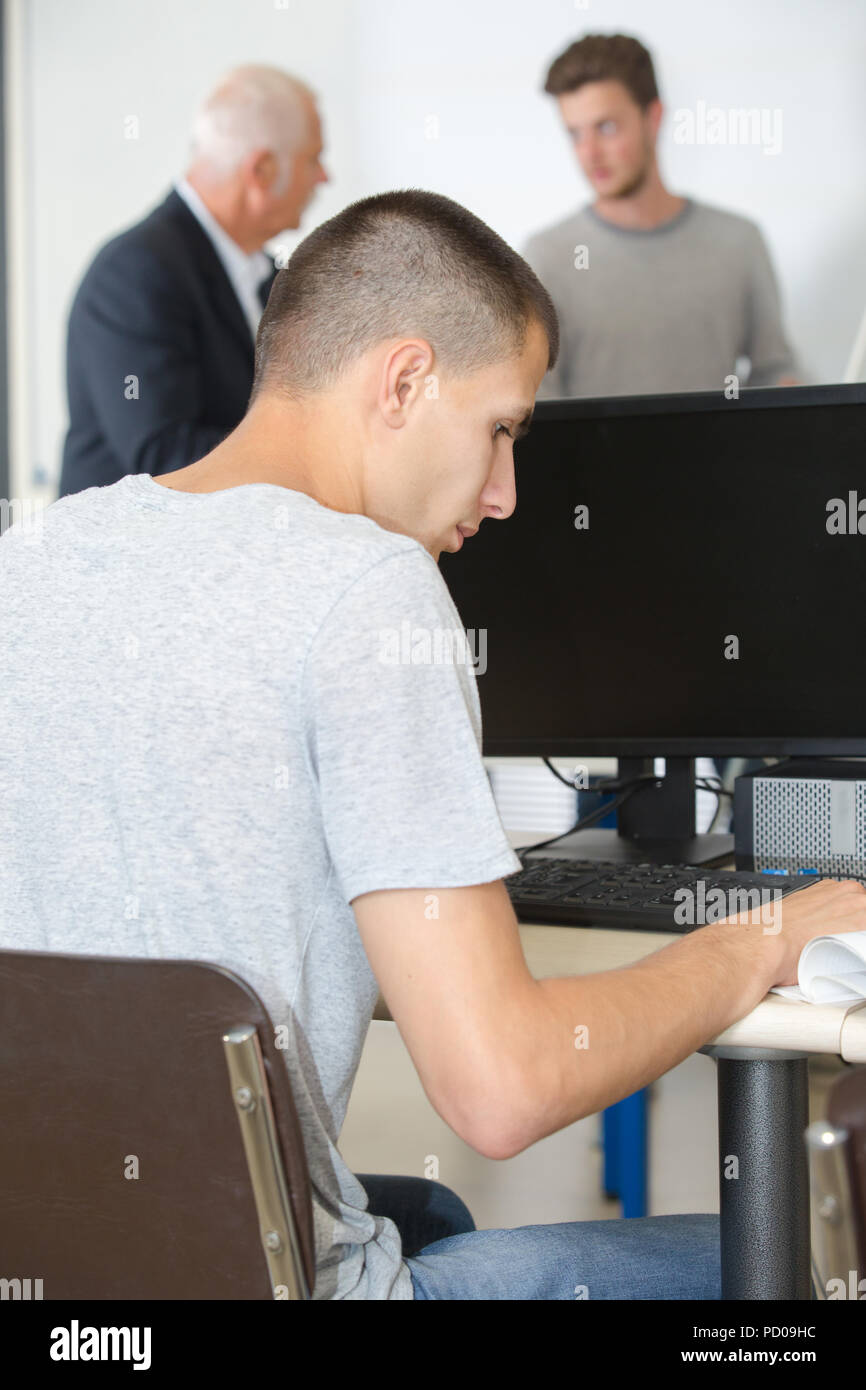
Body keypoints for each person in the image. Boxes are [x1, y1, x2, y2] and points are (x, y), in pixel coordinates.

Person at [3, 189, 864, 1300]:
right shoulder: (368, 589)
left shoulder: (33, 558)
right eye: (501, 429)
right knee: (787, 1260)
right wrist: (761, 936)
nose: (506, 496)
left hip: (68, 1275)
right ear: (404, 380)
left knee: (425, 1212)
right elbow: (500, 1087)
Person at [58, 65, 328, 497]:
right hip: (132, 559)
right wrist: (324, 454)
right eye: (313, 159)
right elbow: (162, 457)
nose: (324, 177)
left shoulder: (269, 275)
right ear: (260, 172)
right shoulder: (135, 272)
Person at [524, 33, 800, 398]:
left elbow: (775, 371)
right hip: (592, 457)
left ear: (653, 118)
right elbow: (539, 405)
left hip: (722, 455)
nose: (589, 154)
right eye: (575, 134)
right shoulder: (548, 259)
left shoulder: (738, 243)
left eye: (606, 127)